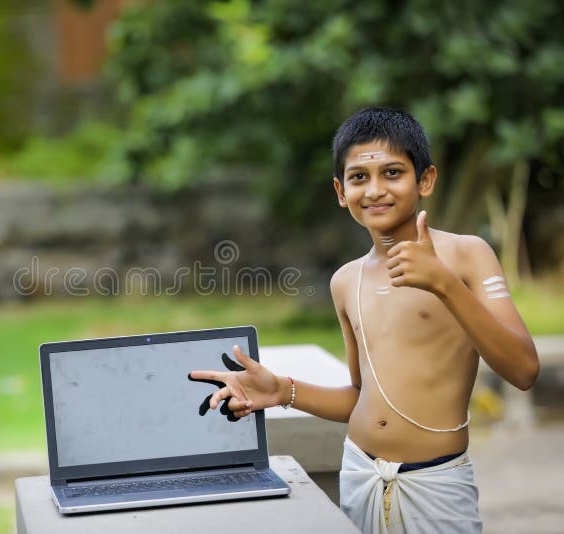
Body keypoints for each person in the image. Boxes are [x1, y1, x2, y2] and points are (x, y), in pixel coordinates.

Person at [189, 107, 539, 533]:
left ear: (425, 180)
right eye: (359, 177)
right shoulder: (346, 280)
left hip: (435, 481)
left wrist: (445, 285)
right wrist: (283, 390)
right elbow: (362, 396)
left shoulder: (466, 254)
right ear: (340, 190)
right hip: (360, 474)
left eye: (393, 173)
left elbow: (523, 369)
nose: (375, 190)